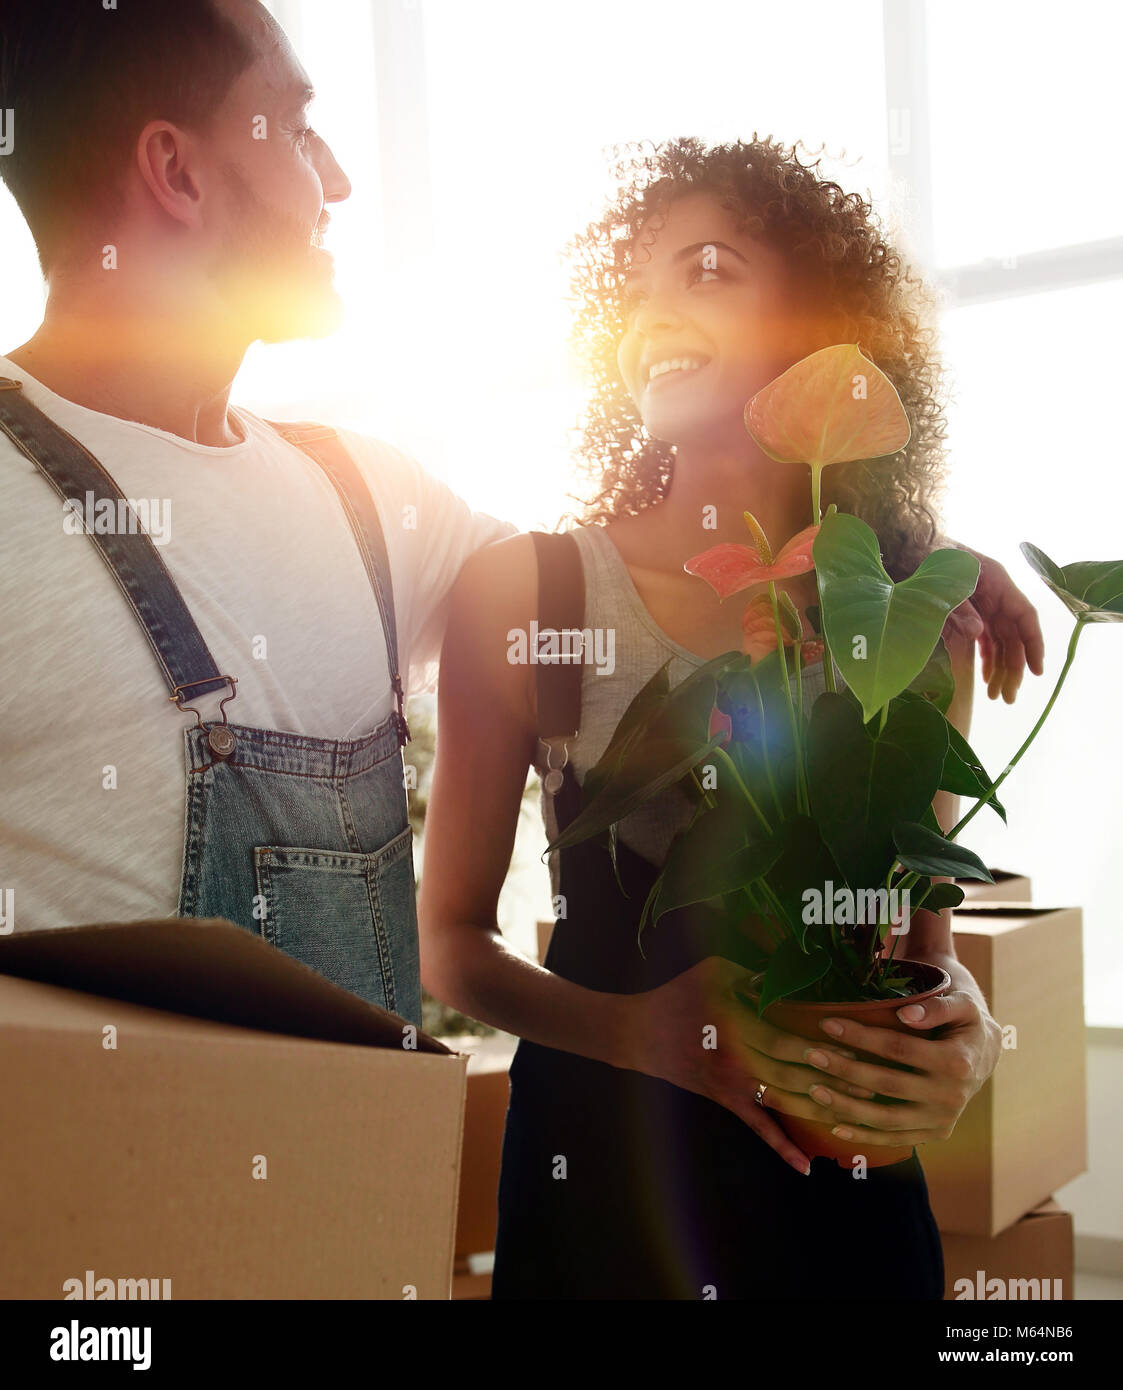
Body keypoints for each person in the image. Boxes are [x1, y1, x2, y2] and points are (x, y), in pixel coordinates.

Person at [418, 137, 1045, 1298]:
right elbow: (451, 947)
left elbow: (918, 947)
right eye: (639, 286)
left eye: (707, 269)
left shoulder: (910, 618)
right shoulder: (532, 593)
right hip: (600, 1183)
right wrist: (647, 1033)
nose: (657, 309)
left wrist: (966, 1034)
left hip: (837, 1197)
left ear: (818, 321)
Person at [0, 0, 512, 1024]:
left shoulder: (376, 501)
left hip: (373, 1185)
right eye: (299, 125)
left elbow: (636, 634)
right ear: (177, 172)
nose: (337, 181)